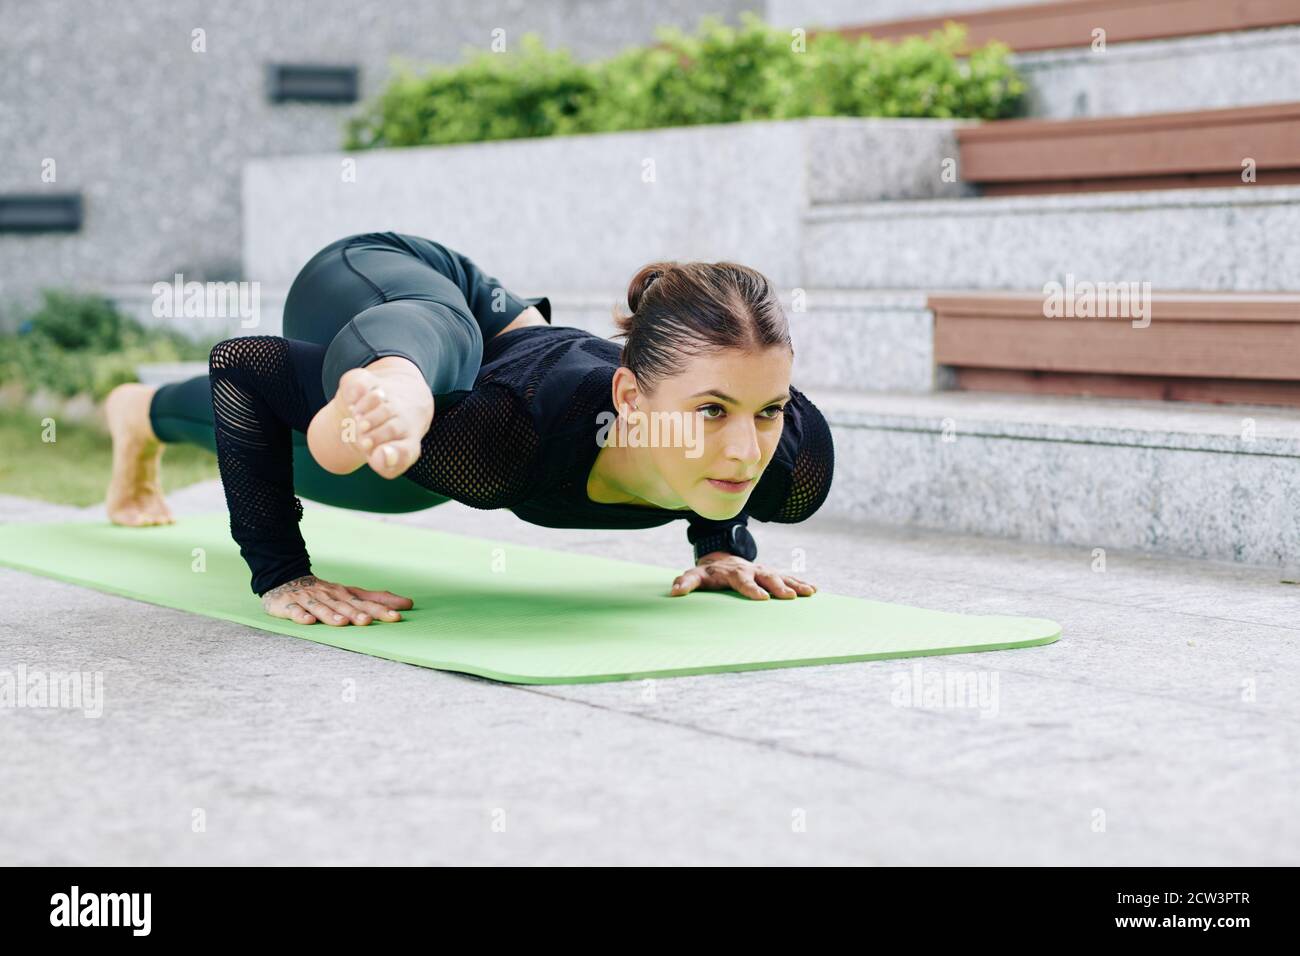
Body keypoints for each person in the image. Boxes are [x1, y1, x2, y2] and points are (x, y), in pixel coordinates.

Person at [104, 232, 835, 625]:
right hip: (388, 280)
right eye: (710, 412)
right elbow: (245, 364)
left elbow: (743, 428)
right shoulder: (501, 433)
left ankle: (409, 388)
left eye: (768, 410)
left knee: (408, 480)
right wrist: (281, 572)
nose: (747, 450)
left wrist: (719, 547)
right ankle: (139, 413)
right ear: (631, 398)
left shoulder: (790, 463)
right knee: (409, 400)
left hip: (515, 345)